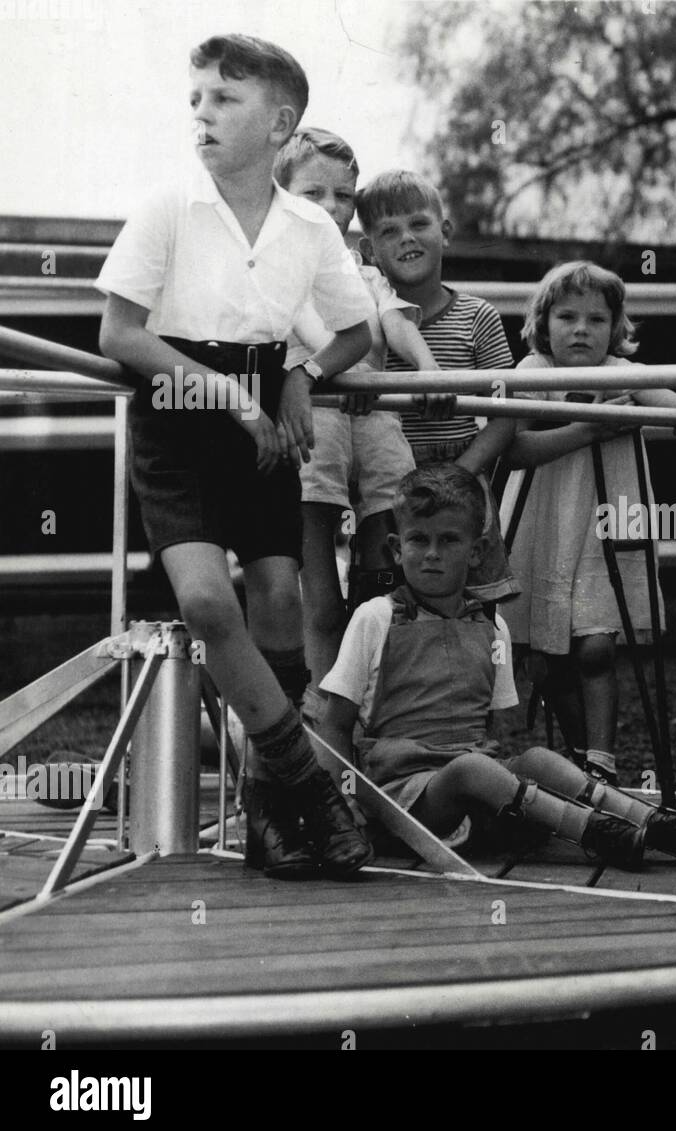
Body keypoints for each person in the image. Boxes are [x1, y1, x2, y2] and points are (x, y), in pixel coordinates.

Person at [96, 34, 373, 878]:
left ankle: (264, 815)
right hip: (180, 419)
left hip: (266, 420)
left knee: (281, 600)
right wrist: (227, 397)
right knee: (210, 603)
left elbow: (356, 331)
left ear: (281, 122)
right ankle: (306, 789)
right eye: (197, 99)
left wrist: (300, 370)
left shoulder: (309, 227)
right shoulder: (168, 207)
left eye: (226, 99)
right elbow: (118, 333)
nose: (204, 115)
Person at [314, 465, 676, 866]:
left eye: (448, 540)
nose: (432, 553)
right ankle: (599, 835)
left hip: (477, 786)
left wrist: (507, 780)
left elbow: (493, 728)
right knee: (471, 768)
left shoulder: (491, 626)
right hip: (406, 798)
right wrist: (342, 810)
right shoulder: (377, 617)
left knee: (537, 758)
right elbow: (335, 723)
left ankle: (657, 825)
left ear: (476, 552)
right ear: (398, 549)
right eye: (419, 540)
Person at [502, 261, 676, 785]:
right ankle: (579, 758)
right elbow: (511, 449)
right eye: (567, 316)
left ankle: (601, 762)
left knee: (598, 645)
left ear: (616, 328)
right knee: (545, 656)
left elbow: (674, 401)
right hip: (542, 526)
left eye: (597, 319)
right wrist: (588, 429)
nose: (581, 329)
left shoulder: (624, 374)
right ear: (543, 322)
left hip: (605, 526)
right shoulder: (535, 373)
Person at [274, 129, 438, 704]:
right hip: (317, 413)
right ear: (282, 193)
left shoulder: (364, 270)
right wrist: (349, 372)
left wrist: (426, 369)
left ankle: (373, 711)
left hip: (373, 419)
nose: (332, 208)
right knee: (319, 594)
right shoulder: (278, 262)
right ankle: (324, 724)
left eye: (344, 196)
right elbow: (312, 328)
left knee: (382, 575)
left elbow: (394, 322)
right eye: (314, 193)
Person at [356, 170, 519, 605]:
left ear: (445, 232)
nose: (407, 238)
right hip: (390, 479)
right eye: (390, 231)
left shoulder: (477, 316)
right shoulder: (367, 324)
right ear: (369, 251)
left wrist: (460, 474)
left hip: (463, 470)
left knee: (475, 604)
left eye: (419, 224)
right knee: (390, 608)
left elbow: (509, 413)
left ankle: (485, 672)